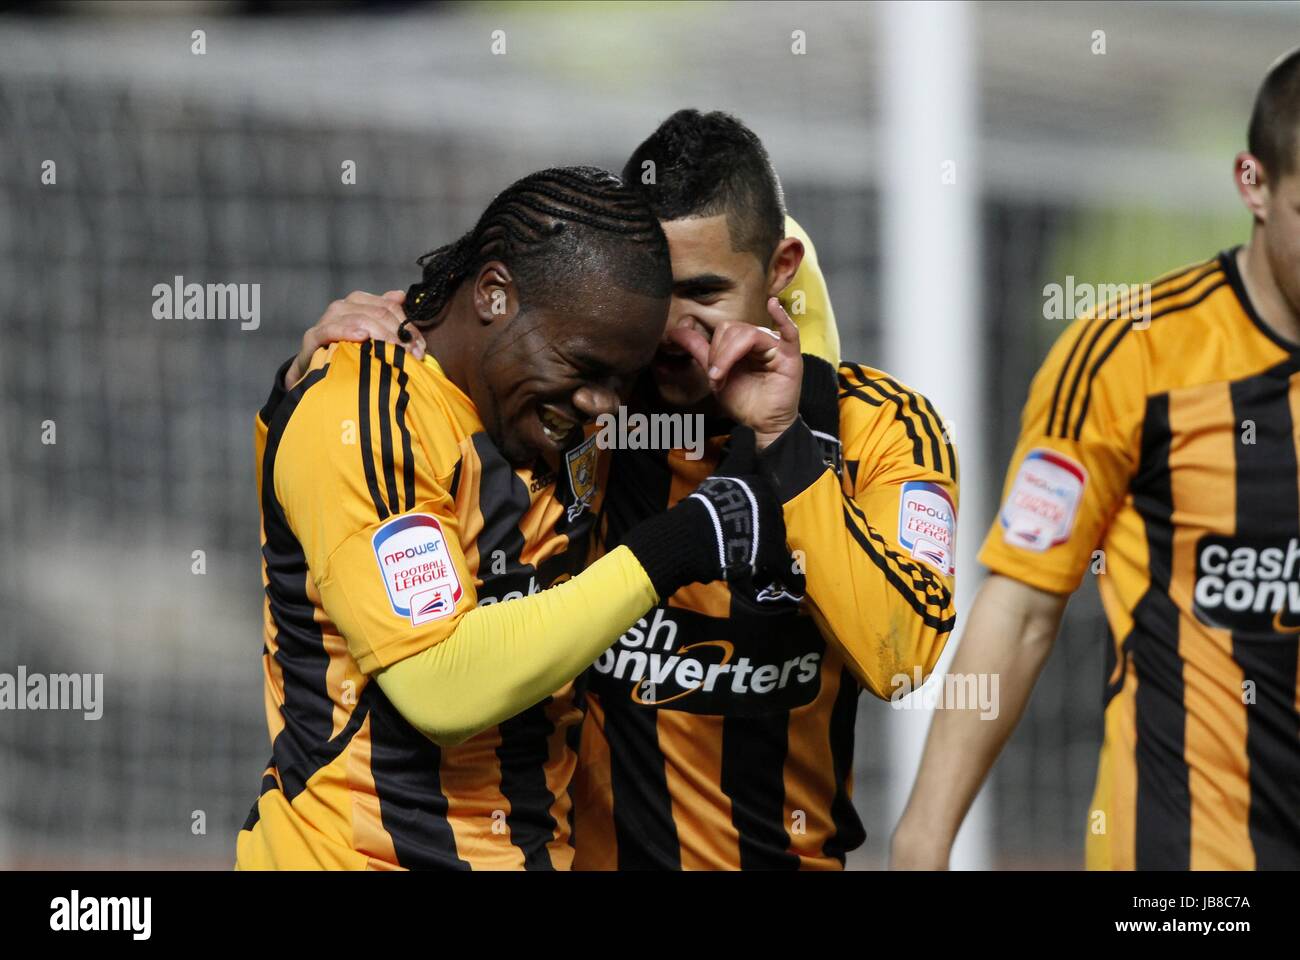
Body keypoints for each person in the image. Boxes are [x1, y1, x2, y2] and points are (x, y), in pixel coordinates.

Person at [291, 112, 959, 869]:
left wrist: (783, 444)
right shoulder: (587, 415)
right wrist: (379, 328)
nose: (672, 330)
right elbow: (461, 353)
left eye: (704, 292)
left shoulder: (880, 430)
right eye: (656, 293)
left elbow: (899, 660)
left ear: (780, 271)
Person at [236, 166, 793, 870]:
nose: (605, 406)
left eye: (623, 378)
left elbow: (765, 264)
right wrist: (678, 547)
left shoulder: (566, 411)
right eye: (585, 367)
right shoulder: (364, 412)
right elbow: (440, 681)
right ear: (494, 294)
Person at [892, 50, 1300, 871]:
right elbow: (1023, 609)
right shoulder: (1128, 358)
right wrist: (922, 842)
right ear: (1253, 184)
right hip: (1191, 865)